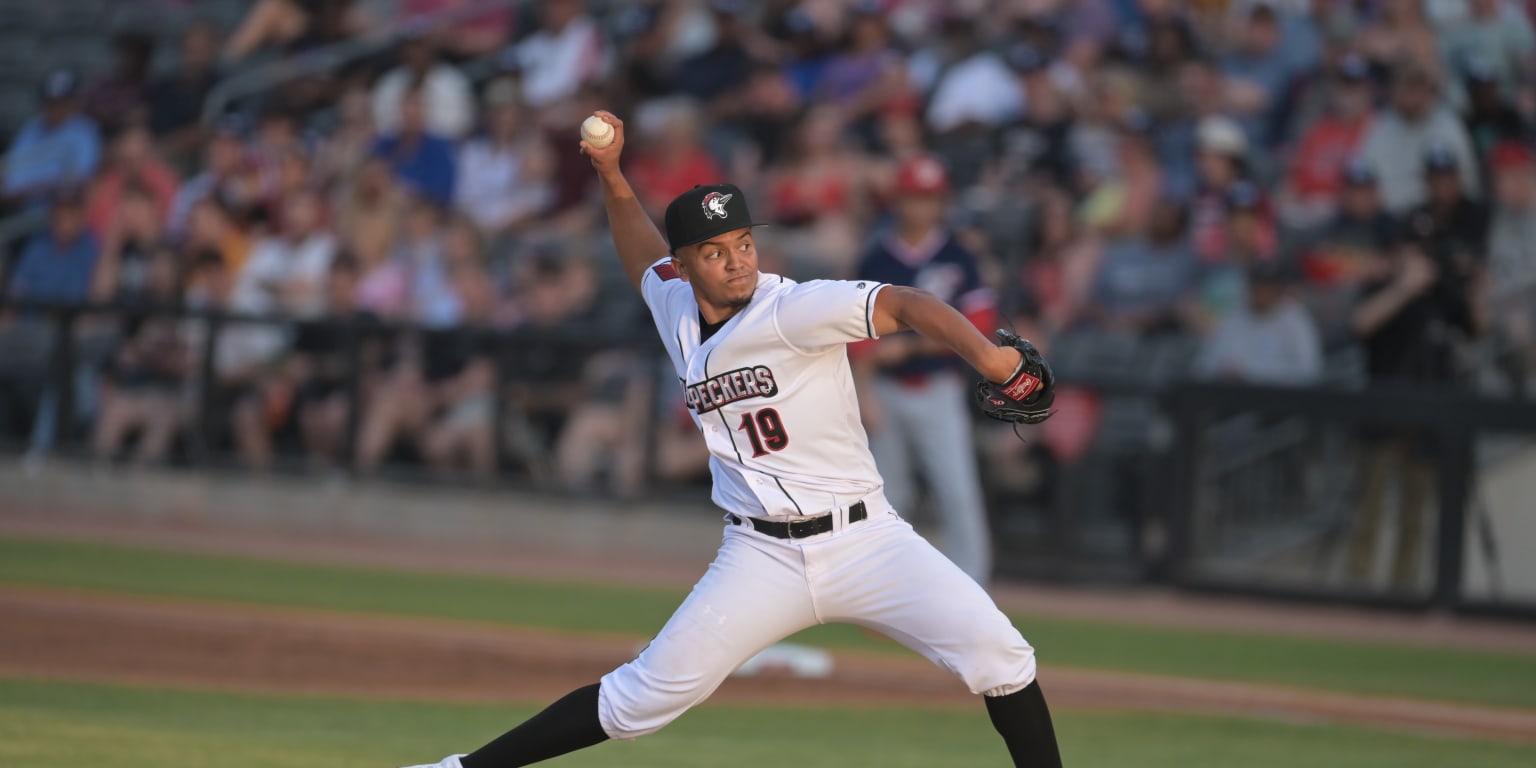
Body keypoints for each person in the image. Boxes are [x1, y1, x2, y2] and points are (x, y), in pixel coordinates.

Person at [399, 111, 1062, 768]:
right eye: (715, 252)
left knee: (1002, 657)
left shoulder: (794, 309)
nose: (737, 261)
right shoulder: (676, 307)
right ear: (685, 265)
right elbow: (639, 253)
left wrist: (994, 361)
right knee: (637, 701)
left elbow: (906, 303)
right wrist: (610, 174)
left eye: (743, 242)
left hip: (866, 541)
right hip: (760, 556)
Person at [853, 154, 998, 585]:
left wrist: (910, 347)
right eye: (913, 197)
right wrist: (863, 390)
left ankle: (974, 586)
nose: (920, 208)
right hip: (887, 391)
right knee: (886, 496)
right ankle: (882, 589)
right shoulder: (877, 257)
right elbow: (853, 331)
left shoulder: (958, 257)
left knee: (957, 492)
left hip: (938, 386)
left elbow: (983, 326)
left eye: (929, 199)